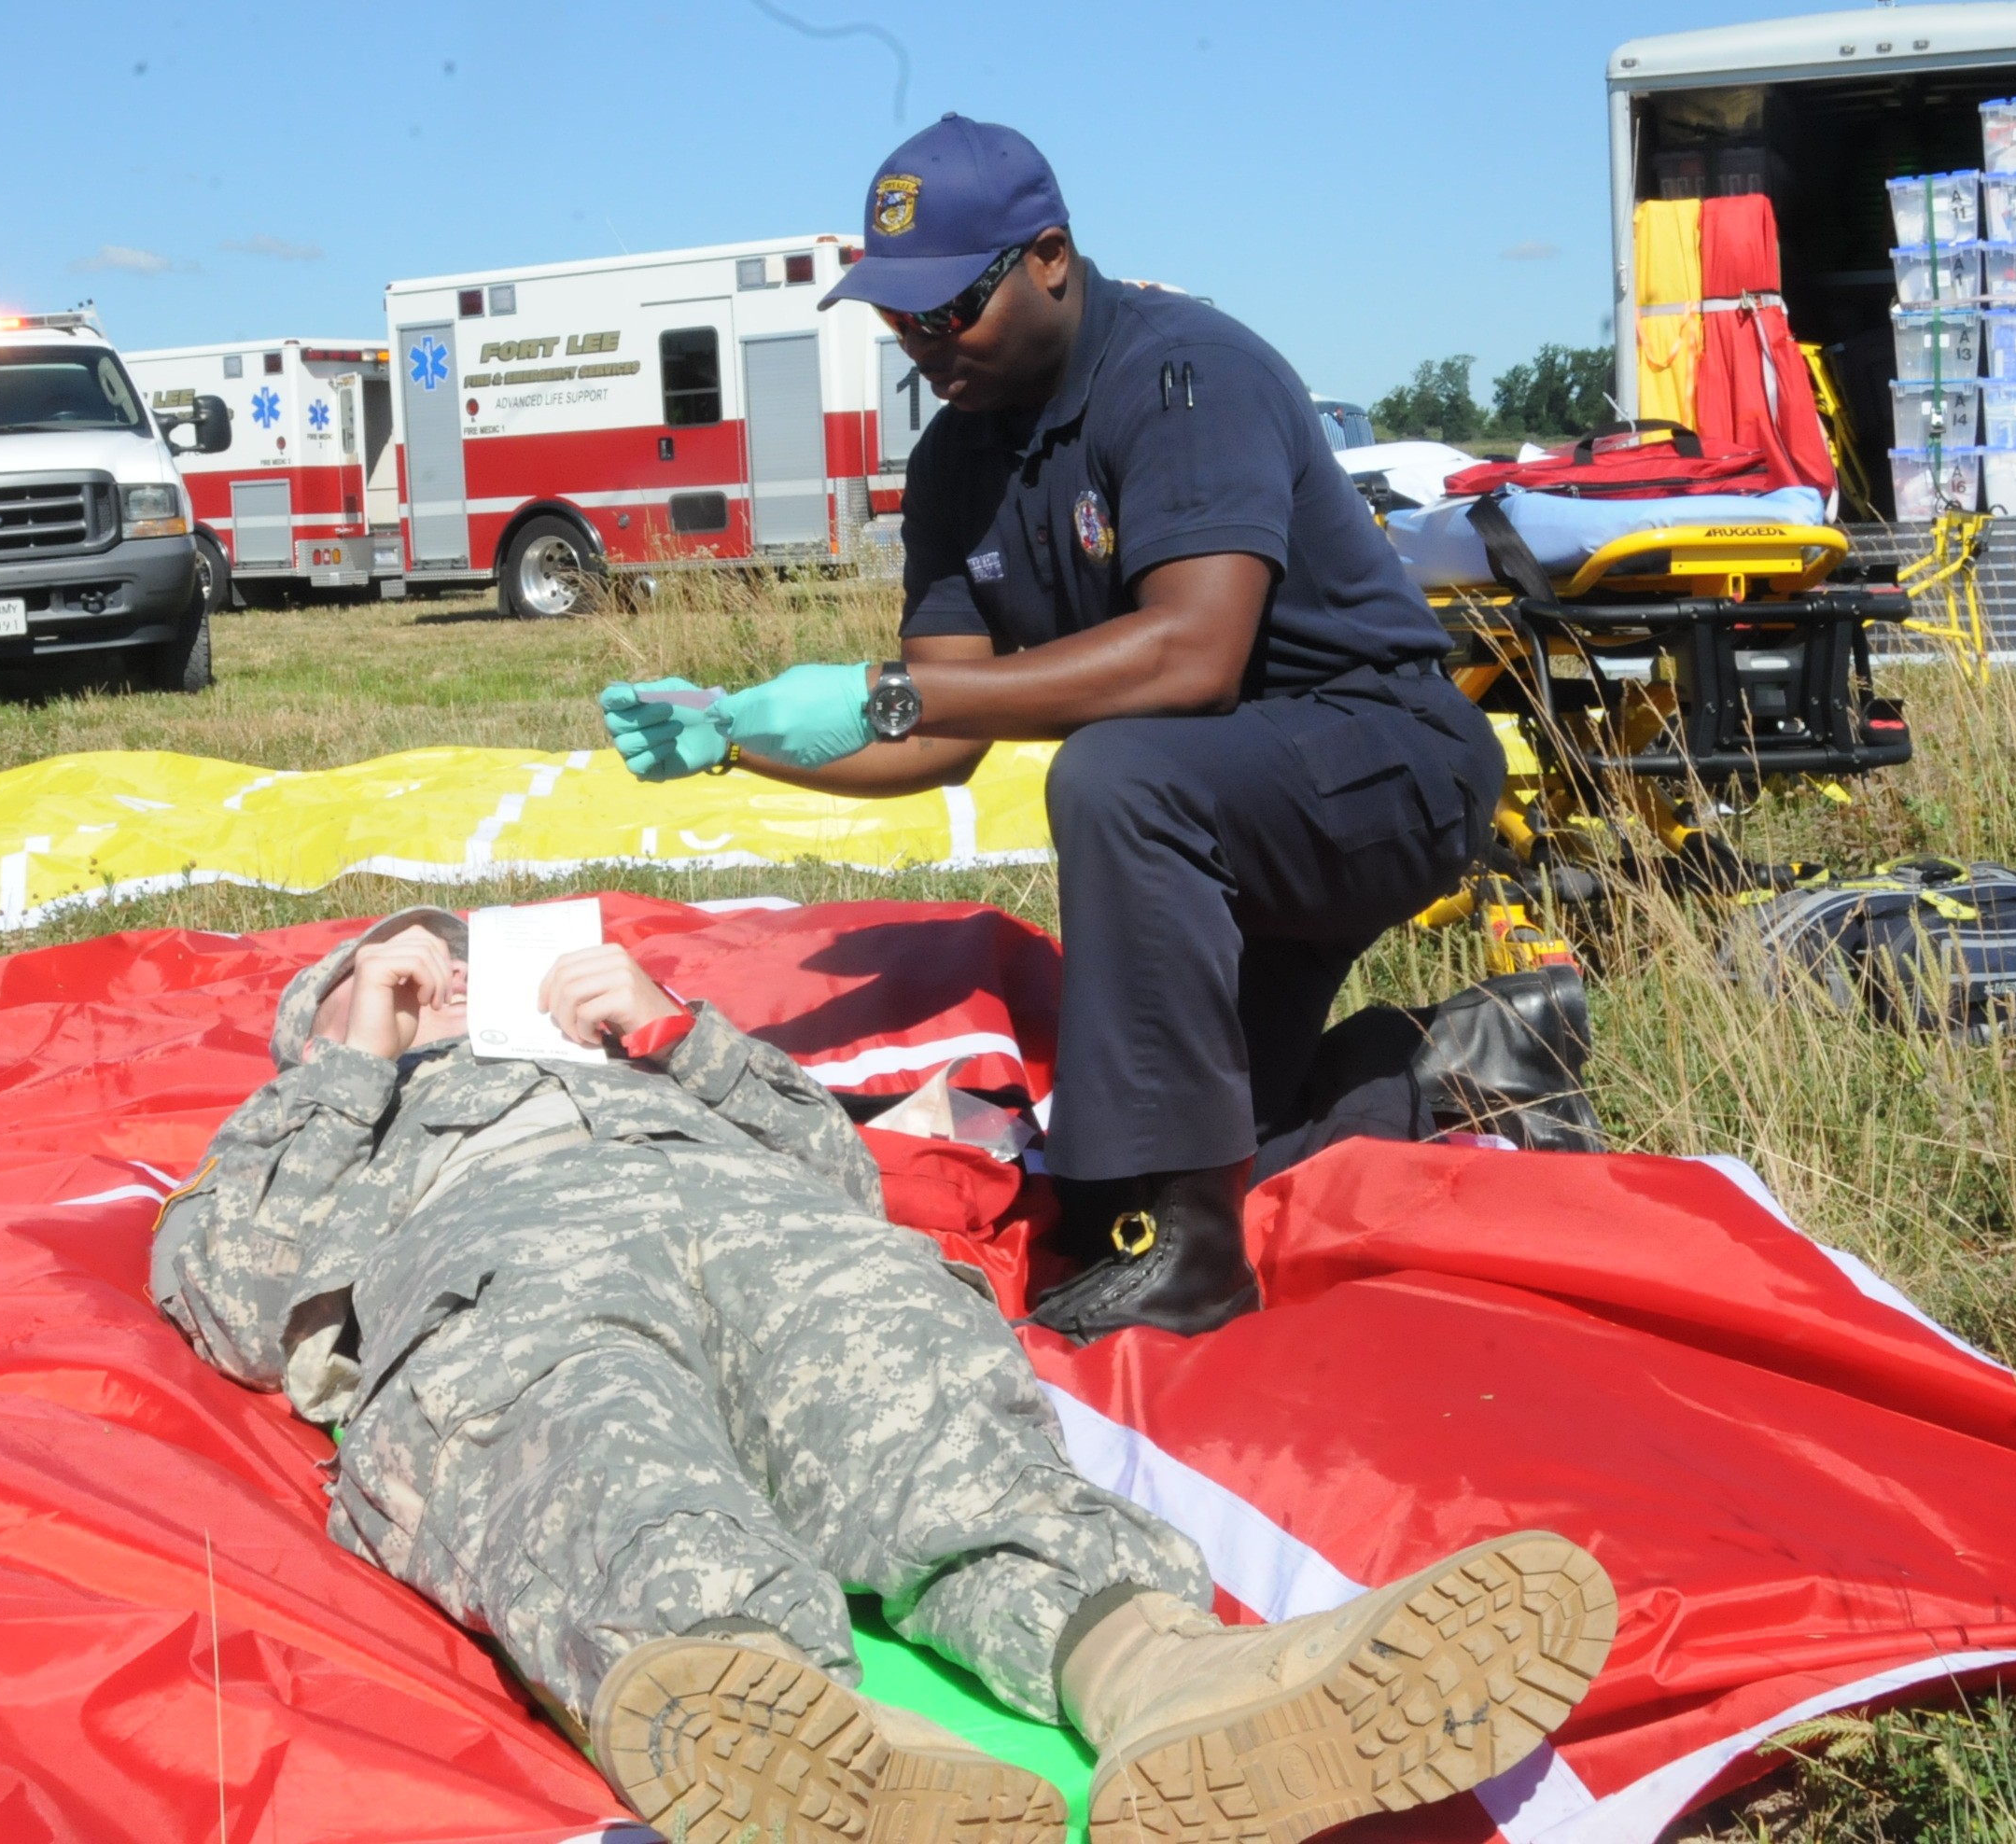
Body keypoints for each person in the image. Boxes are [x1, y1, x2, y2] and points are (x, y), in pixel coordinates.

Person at [153, 908, 1614, 1844]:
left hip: (772, 1238)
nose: (444, 972)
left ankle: (1169, 1679)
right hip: (515, 1266)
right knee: (602, 1461)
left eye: (456, 953)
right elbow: (229, 1287)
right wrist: (354, 1055)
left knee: (933, 1424)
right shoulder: (332, 1113)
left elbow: (838, 1180)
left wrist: (673, 1037)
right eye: (397, 967)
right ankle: (834, 1753)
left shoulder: (648, 1064)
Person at [602, 117, 1505, 1343]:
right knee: (1158, 1159)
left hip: (1382, 767)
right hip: (1225, 807)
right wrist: (737, 736)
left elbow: (1195, 652)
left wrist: (890, 692)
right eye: (896, 317)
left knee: (1115, 775)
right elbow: (943, 734)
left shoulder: (1187, 377)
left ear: (1052, 258)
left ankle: (1189, 1265)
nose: (922, 344)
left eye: (950, 309)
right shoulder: (954, 466)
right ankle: (1460, 1073)